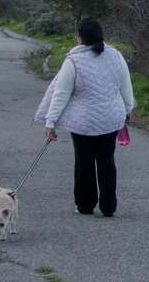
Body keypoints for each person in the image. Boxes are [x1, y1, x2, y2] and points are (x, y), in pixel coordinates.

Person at [34, 18, 135, 217]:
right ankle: (108, 206)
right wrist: (127, 108)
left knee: (84, 162)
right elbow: (126, 85)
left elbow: (60, 94)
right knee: (107, 161)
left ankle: (85, 205)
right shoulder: (116, 55)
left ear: (80, 38)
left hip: (83, 123)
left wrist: (50, 121)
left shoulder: (73, 61)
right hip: (111, 119)